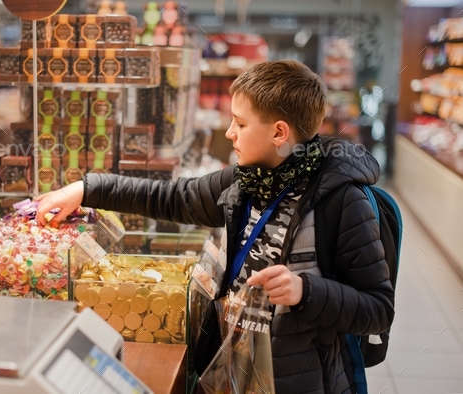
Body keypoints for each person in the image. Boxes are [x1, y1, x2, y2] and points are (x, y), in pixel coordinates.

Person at [36, 60, 395, 394]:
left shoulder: (343, 202)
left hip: (299, 381)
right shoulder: (244, 182)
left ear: (279, 133)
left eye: (240, 123)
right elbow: (170, 197)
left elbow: (377, 309)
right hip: (233, 369)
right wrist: (86, 189)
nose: (229, 133)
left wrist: (306, 291)